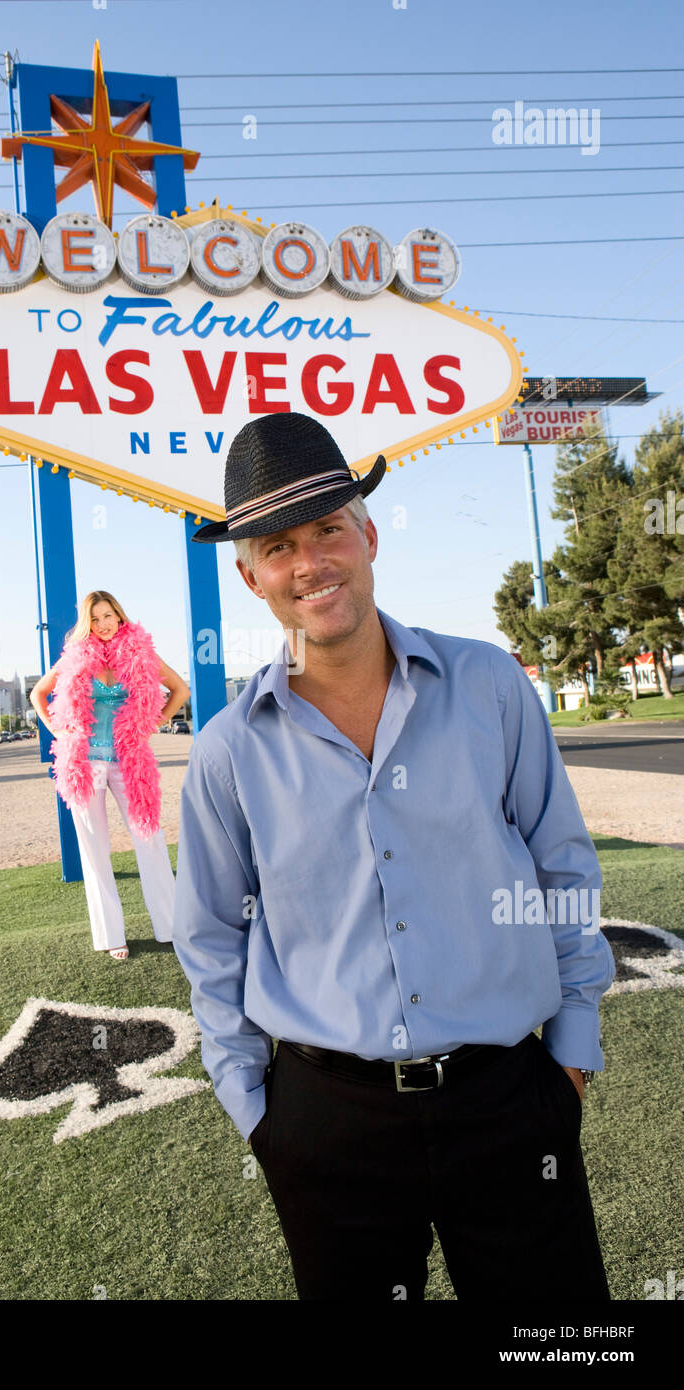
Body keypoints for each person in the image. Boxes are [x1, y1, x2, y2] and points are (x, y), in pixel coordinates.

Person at [171, 412, 616, 1301]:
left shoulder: (490, 685)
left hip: (509, 1100)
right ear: (249, 572)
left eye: (328, 528)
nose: (310, 563)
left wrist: (569, 1050)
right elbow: (212, 939)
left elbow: (561, 867)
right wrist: (256, 1113)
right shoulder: (227, 751)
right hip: (325, 1124)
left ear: (368, 533)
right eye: (278, 545)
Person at [30, 590, 189, 960]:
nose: (103, 625)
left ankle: (171, 926)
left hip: (128, 762)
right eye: (95, 619)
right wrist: (60, 732)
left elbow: (180, 689)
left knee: (150, 838)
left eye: (108, 616)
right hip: (84, 763)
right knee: (94, 851)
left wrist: (152, 722)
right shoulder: (75, 658)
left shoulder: (139, 652)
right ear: (87, 623)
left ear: (119, 616)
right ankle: (111, 934)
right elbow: (39, 694)